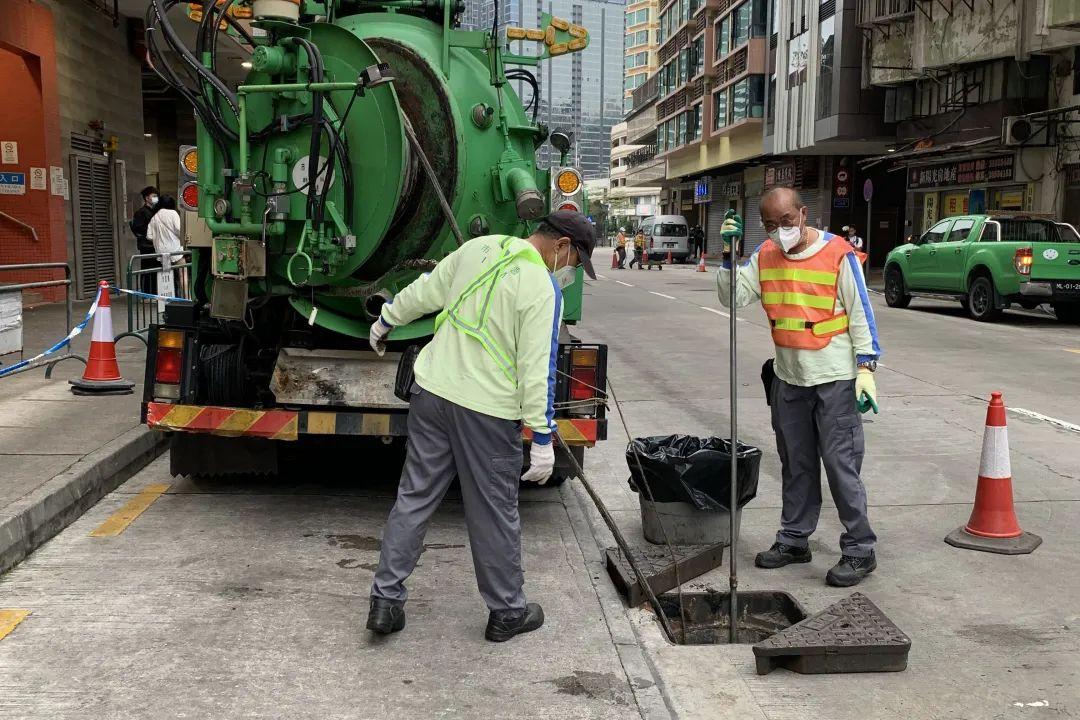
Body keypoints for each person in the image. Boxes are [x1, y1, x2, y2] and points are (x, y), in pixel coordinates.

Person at [366, 210, 597, 642]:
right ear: (561, 247)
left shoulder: (480, 246)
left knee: (414, 498)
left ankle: (385, 602)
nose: (571, 272)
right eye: (575, 263)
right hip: (486, 413)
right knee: (492, 511)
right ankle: (507, 611)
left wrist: (386, 320)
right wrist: (543, 437)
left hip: (431, 393)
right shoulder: (543, 289)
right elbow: (536, 368)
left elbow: (426, 291)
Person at [717, 187, 882, 587]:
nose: (779, 231)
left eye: (786, 221)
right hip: (789, 379)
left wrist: (866, 368)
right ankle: (794, 539)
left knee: (840, 465)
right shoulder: (765, 255)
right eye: (770, 225)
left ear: (803, 214)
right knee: (796, 463)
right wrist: (729, 255)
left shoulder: (837, 253)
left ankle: (860, 548)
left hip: (835, 379)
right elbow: (733, 298)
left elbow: (861, 311)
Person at [145, 195, 188, 297]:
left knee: (167, 277)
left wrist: (159, 239)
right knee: (183, 274)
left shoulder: (154, 217)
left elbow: (149, 236)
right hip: (176, 250)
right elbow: (179, 230)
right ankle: (186, 298)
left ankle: (168, 300)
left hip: (162, 253)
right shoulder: (173, 213)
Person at [129, 186, 159, 292]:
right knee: (148, 269)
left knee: (155, 271)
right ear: (147, 198)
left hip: (155, 246)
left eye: (157, 196)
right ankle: (147, 292)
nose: (156, 198)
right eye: (154, 196)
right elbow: (138, 228)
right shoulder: (141, 212)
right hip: (147, 246)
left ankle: (154, 292)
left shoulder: (156, 212)